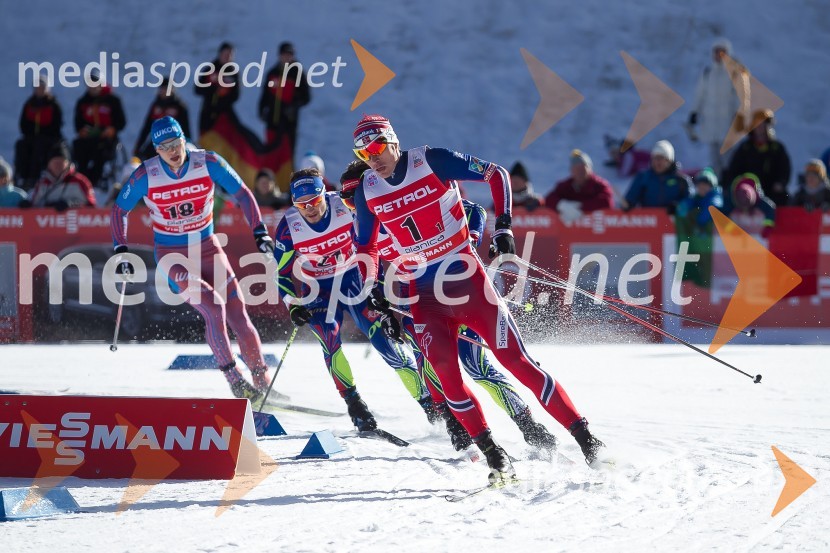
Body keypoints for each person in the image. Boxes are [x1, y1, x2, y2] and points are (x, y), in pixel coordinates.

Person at [349, 115, 605, 481]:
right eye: (363, 152)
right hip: (425, 296)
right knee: (448, 379)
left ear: (392, 140)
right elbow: (365, 245)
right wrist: (373, 286)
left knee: (517, 363)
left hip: (468, 281)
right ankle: (493, 454)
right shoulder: (366, 189)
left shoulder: (429, 160)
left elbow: (496, 174)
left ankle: (587, 440)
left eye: (376, 146)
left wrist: (503, 226)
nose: (372, 157)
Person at [340, 159, 558, 452]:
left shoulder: (396, 204)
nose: (354, 207)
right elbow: (372, 273)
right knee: (427, 361)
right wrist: (385, 308)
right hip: (418, 301)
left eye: (356, 199)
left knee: (476, 366)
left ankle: (528, 424)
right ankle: (457, 424)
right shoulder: (362, 231)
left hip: (458, 289)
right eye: (346, 201)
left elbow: (475, 211)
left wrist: (475, 238)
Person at [110, 116, 275, 401]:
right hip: (173, 256)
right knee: (214, 307)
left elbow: (243, 194)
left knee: (238, 313)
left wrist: (259, 231)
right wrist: (120, 250)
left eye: (177, 143)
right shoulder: (145, 175)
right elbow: (119, 210)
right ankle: (234, 379)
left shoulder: (207, 162)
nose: (173, 151)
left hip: (208, 247)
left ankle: (263, 383)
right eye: (164, 147)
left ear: (184, 140)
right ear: (156, 150)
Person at [272, 167, 432, 432]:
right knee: (329, 337)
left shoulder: (345, 206)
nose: (309, 209)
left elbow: (373, 244)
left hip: (354, 281)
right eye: (301, 204)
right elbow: (282, 274)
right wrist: (293, 306)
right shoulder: (289, 227)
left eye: (313, 200)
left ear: (325, 192)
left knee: (385, 343)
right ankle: (355, 405)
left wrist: (377, 284)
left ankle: (428, 403)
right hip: (319, 291)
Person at [687, 38, 750, 176]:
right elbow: (700, 94)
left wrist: (740, 116)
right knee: (714, 160)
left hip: (728, 123)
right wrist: (694, 112)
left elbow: (741, 97)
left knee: (729, 159)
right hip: (711, 124)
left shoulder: (735, 72)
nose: (719, 55)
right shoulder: (708, 73)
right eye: (716, 52)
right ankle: (717, 186)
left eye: (722, 52)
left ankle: (729, 186)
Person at [723, 109, 791, 207]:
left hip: (770, 191)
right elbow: (733, 170)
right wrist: (739, 183)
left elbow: (785, 169)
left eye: (763, 124)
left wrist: (781, 183)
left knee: (782, 198)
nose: (760, 127)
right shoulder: (745, 148)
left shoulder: (777, 148)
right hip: (747, 191)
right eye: (757, 124)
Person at [72, 70, 127, 188]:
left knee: (101, 154)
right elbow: (78, 124)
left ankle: (93, 181)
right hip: (88, 139)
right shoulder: (83, 102)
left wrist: (111, 129)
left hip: (107, 140)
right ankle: (81, 180)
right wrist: (82, 131)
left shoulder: (113, 101)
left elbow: (121, 122)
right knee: (78, 150)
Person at [258, 41, 311, 155]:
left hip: (289, 123)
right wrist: (262, 110)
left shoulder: (297, 73)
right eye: (285, 54)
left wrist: (293, 106)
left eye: (290, 54)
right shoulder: (272, 73)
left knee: (286, 155)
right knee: (270, 153)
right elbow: (265, 95)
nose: (287, 57)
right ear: (279, 55)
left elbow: (306, 97)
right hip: (272, 122)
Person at [14, 76, 64, 189]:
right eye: (37, 87)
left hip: (49, 138)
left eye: (42, 87)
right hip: (31, 137)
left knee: (39, 147)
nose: (39, 89)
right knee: (21, 145)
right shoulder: (29, 104)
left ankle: (33, 177)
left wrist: (43, 133)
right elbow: (23, 124)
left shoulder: (53, 105)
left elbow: (57, 126)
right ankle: (22, 176)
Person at [622, 140, 692, 213]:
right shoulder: (643, 177)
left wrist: (678, 207)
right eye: (655, 158)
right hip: (650, 221)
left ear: (669, 161)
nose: (657, 162)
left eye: (661, 158)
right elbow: (631, 197)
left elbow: (691, 201)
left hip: (673, 222)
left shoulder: (681, 180)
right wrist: (628, 204)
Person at [544, 150, 614, 221]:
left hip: (597, 226)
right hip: (569, 229)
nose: (580, 172)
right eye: (576, 169)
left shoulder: (600, 185)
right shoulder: (565, 186)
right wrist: (562, 206)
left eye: (583, 168)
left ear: (590, 169)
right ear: (571, 170)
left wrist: (579, 207)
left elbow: (606, 202)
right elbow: (549, 199)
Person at [133, 78, 192, 160]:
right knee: (144, 158)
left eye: (167, 89)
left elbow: (186, 128)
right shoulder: (156, 106)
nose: (164, 92)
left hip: (174, 142)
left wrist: (188, 145)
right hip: (157, 141)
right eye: (162, 89)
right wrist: (138, 147)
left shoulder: (180, 106)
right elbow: (146, 127)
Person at [28, 142, 96, 210]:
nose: (57, 165)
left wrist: (71, 205)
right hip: (47, 220)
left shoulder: (80, 181)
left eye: (61, 161)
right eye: (54, 162)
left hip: (74, 219)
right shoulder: (42, 184)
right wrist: (27, 206)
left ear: (68, 163)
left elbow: (91, 206)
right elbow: (35, 207)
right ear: (48, 164)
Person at [194, 42, 240, 137]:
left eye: (230, 54)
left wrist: (224, 95)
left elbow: (236, 95)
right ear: (220, 53)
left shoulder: (233, 72)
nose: (228, 57)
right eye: (226, 54)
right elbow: (197, 89)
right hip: (208, 112)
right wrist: (213, 88)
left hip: (225, 114)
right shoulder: (209, 69)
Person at [722, 173, 776, 237]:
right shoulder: (731, 199)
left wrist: (768, 226)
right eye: (742, 206)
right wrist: (730, 229)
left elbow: (770, 208)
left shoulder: (759, 198)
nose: (745, 209)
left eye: (747, 205)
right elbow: (722, 215)